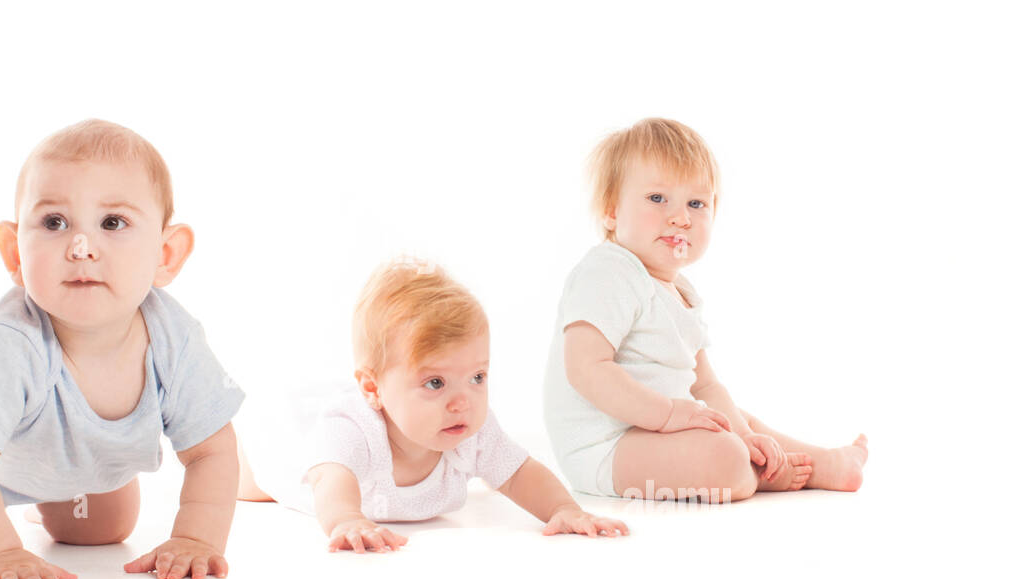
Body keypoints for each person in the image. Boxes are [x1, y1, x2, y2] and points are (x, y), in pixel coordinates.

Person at [0, 119, 245, 579]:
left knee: (101, 531)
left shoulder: (175, 342)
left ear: (166, 254)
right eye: (54, 223)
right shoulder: (7, 344)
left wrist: (195, 539)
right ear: (15, 253)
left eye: (113, 223)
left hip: (53, 450)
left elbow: (211, 450)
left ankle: (40, 491)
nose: (81, 247)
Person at [543, 117, 868, 502]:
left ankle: (822, 462)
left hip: (660, 432)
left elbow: (705, 385)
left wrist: (748, 438)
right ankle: (757, 475)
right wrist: (668, 415)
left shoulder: (679, 292)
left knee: (738, 423)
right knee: (726, 454)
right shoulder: (609, 271)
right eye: (657, 198)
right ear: (612, 211)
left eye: (696, 203)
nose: (681, 217)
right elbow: (585, 368)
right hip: (606, 447)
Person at [238, 258, 628, 551]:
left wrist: (564, 508)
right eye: (435, 383)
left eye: (477, 377)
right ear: (373, 388)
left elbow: (518, 473)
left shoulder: (470, 431)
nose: (462, 402)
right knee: (248, 482)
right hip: (285, 454)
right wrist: (348, 520)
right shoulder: (353, 430)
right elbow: (331, 481)